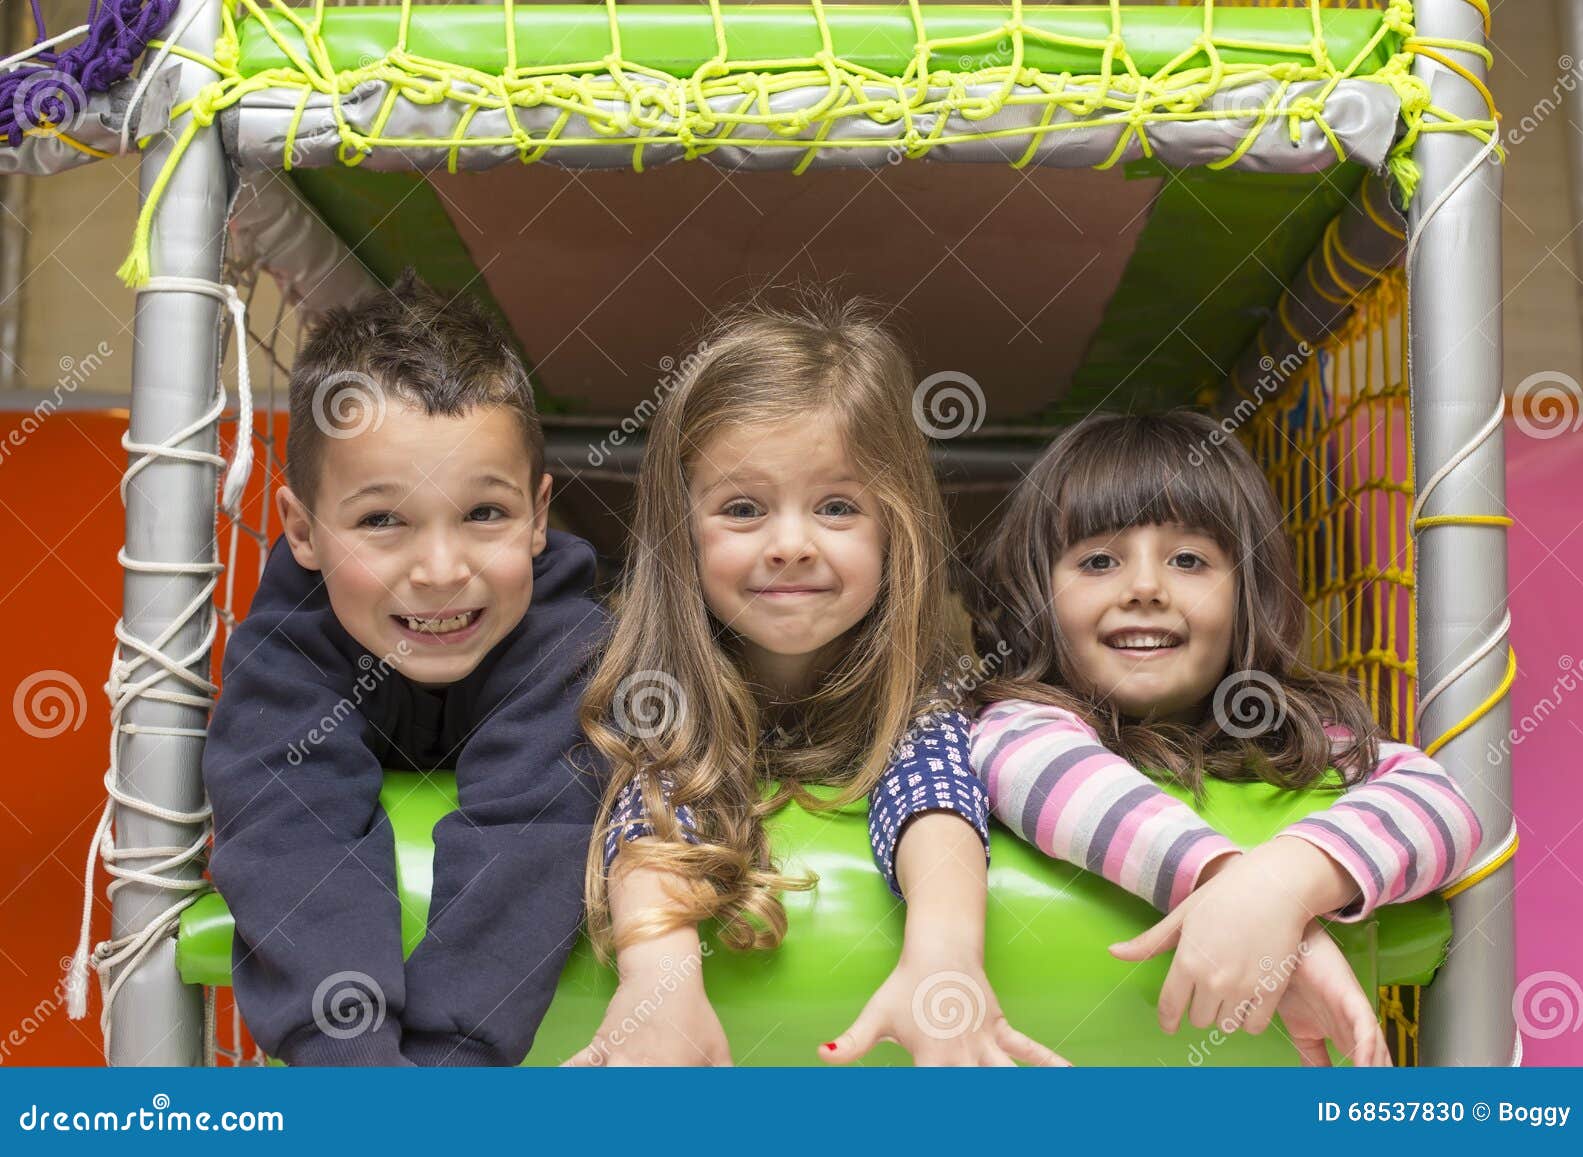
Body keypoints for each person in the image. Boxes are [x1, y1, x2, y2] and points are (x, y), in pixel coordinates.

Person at [567, 292, 1066, 1067]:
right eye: (743, 508)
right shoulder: (654, 685)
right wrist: (658, 977)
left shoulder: (920, 686)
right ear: (680, 533)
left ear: (895, 530)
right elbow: (654, 793)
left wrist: (944, 956)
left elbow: (932, 785)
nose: (791, 543)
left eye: (836, 506)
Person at [964, 411, 1484, 1065]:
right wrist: (1222, 877)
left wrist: (1285, 884)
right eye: (1098, 560)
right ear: (1040, 594)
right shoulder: (1018, 721)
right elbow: (1031, 768)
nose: (1146, 587)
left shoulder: (1297, 739)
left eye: (1189, 559)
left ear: (1247, 592)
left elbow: (1443, 802)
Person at [203, 271, 607, 1066]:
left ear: (538, 517)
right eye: (383, 520)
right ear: (303, 530)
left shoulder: (572, 644)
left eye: (485, 513)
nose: (440, 568)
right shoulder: (289, 646)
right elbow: (291, 832)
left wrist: (448, 1072)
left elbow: (536, 833)